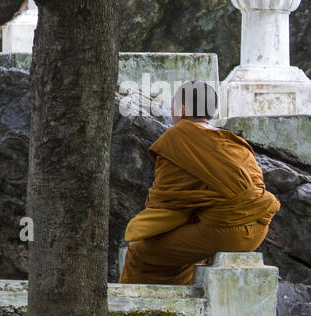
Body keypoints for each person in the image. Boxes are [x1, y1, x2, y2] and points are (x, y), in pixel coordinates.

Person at [119, 80, 279, 285]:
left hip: (225, 230)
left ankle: (135, 315)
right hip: (258, 229)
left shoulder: (179, 136)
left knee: (140, 254)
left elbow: (168, 201)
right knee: (189, 251)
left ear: (183, 109)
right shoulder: (233, 140)